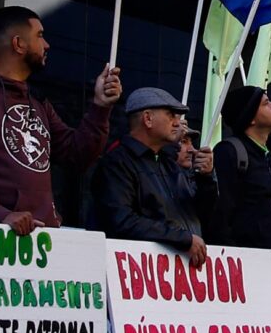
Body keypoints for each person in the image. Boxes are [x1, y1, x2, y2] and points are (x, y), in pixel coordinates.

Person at [0, 6, 120, 235]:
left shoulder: (39, 103)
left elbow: (76, 155)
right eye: (40, 36)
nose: (47, 45)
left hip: (40, 247)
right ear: (18, 44)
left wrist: (100, 107)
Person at [84, 87, 209, 261]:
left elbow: (200, 212)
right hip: (133, 274)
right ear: (148, 119)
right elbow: (122, 221)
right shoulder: (117, 162)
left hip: (176, 273)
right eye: (171, 115)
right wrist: (183, 239)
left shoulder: (170, 163)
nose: (177, 123)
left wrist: (206, 178)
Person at [213, 82, 271, 270]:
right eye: (266, 103)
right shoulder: (229, 152)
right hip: (246, 270)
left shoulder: (270, 159)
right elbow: (220, 213)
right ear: (250, 117)